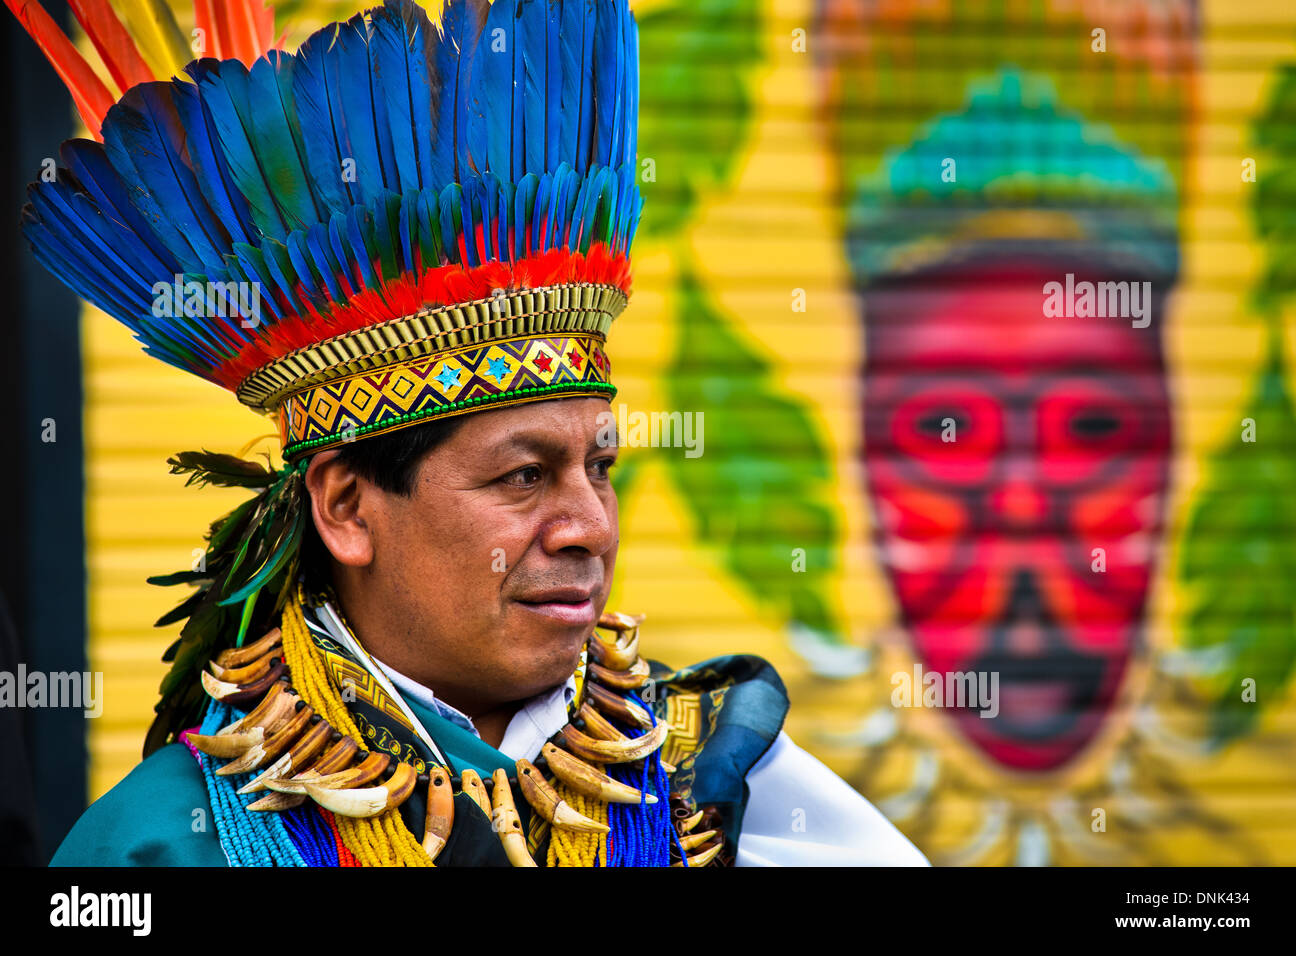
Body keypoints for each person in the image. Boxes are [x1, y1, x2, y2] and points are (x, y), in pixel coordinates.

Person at [13, 0, 927, 867]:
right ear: (346, 506)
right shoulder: (171, 842)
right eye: (524, 477)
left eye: (599, 467)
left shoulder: (728, 788)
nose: (591, 527)